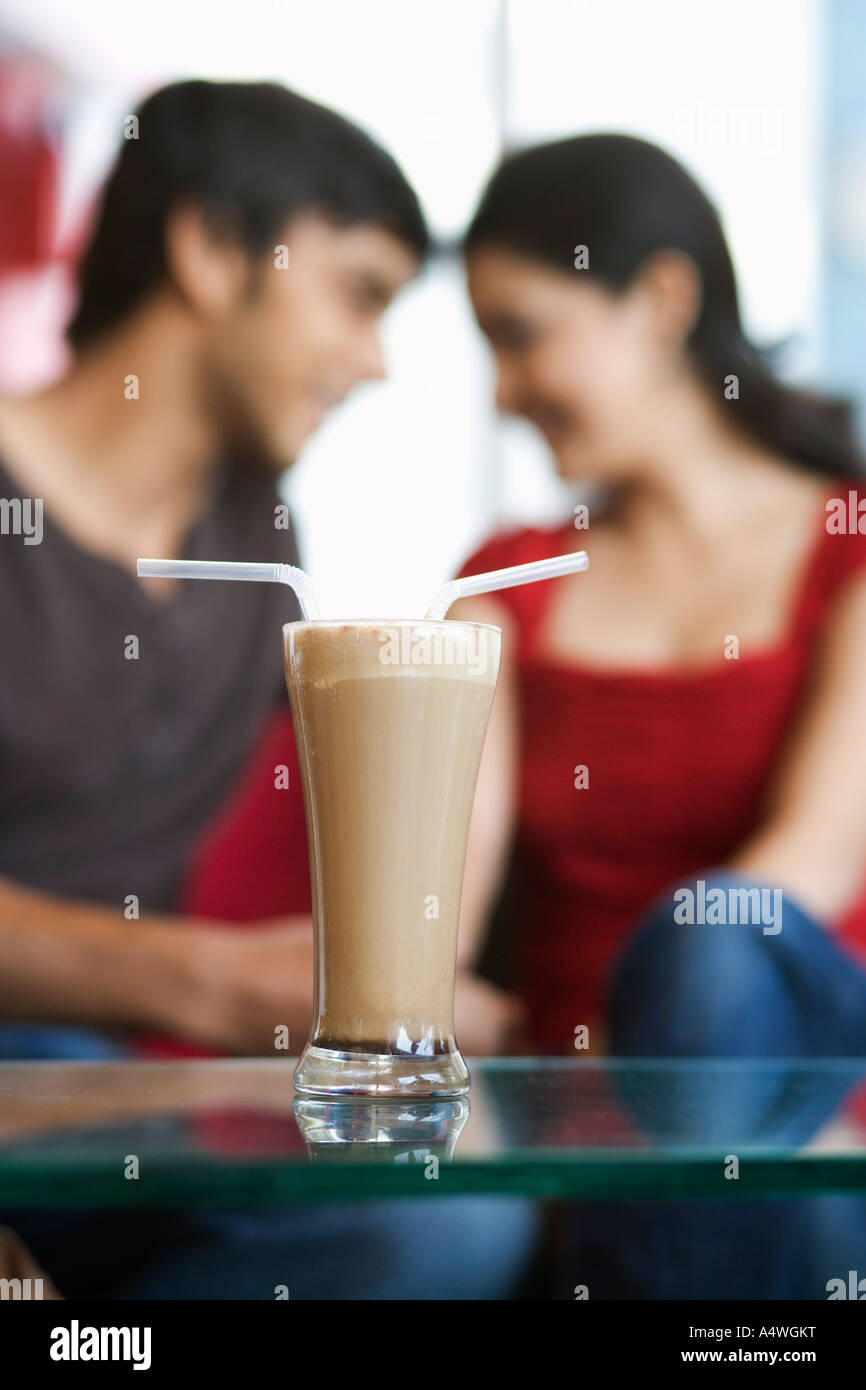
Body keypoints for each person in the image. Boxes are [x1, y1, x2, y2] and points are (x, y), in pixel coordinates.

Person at [0, 79, 538, 1299]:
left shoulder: (256, 542)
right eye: (358, 294)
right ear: (209, 249)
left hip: (126, 1095)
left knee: (434, 1228)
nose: (377, 359)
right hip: (64, 1065)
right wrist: (207, 977)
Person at [445, 132, 866, 1297]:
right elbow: (442, 887)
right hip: (575, 1114)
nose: (499, 390)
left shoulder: (851, 544)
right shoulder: (506, 580)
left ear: (660, 300)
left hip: (803, 1091)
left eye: (519, 333)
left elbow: (812, 861)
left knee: (715, 937)